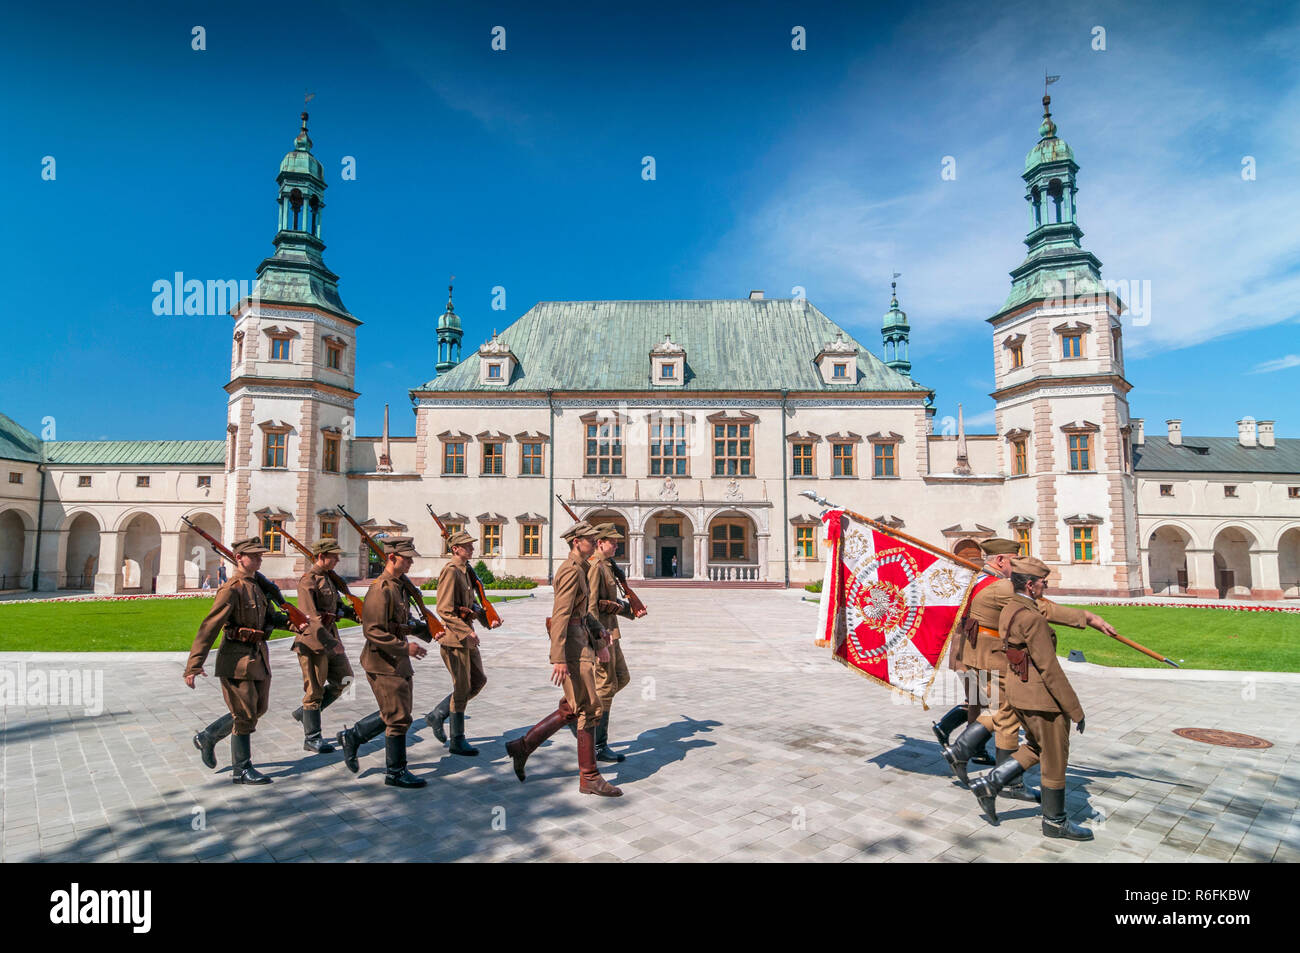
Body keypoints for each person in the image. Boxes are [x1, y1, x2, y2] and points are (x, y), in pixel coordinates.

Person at [941, 538, 1117, 804]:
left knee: (999, 711)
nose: (1019, 565)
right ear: (1001, 561)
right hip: (993, 658)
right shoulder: (1001, 586)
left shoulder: (982, 579)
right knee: (1006, 718)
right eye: (1015, 559)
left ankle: (964, 753)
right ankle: (1003, 779)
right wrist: (1088, 618)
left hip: (976, 654)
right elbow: (1043, 608)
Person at [969, 556, 1093, 840]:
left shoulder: (1010, 608)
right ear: (1030, 585)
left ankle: (991, 783)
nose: (1044, 587)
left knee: (1036, 746)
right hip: (1041, 698)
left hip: (1018, 691)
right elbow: (1049, 667)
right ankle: (1055, 821)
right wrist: (1075, 710)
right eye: (1042, 583)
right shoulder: (1032, 618)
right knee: (1055, 756)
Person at [505, 520, 622, 797]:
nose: (595, 542)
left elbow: (584, 612)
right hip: (571, 646)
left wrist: (598, 631)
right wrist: (557, 657)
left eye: (595, 538)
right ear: (575, 542)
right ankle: (589, 777)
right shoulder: (570, 571)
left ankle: (522, 747)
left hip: (581, 640)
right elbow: (560, 615)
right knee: (590, 707)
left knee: (573, 706)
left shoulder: (581, 568)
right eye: (589, 539)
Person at [184, 537, 296, 784]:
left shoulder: (256, 586)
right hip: (236, 658)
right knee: (244, 714)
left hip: (257, 656)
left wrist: (297, 624)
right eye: (254, 555)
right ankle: (242, 770)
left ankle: (208, 736)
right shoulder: (232, 588)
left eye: (260, 555)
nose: (259, 559)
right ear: (239, 558)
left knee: (258, 709)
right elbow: (209, 627)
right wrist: (194, 664)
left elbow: (270, 618)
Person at [336, 536, 430, 788]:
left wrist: (427, 631)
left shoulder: (399, 587)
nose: (410, 562)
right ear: (391, 557)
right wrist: (405, 647)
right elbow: (373, 631)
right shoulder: (381, 589)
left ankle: (352, 737)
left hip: (396, 660)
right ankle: (395, 772)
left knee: (399, 713)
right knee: (398, 716)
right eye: (407, 558)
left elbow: (402, 622)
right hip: (382, 661)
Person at [425, 530, 494, 756]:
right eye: (467, 545)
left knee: (478, 681)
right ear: (455, 548)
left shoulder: (465, 572)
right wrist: (466, 631)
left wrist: (484, 617)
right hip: (455, 640)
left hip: (467, 637)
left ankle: (439, 713)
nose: (472, 548)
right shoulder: (451, 571)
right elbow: (444, 609)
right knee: (462, 688)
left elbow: (468, 603)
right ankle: (457, 739)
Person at [291, 539, 357, 754]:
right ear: (321, 556)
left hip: (330, 638)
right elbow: (310, 617)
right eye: (334, 556)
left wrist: (358, 614)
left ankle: (305, 714)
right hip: (313, 643)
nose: (337, 559)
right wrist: (331, 643)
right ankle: (312, 737)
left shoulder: (329, 579)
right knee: (315, 689)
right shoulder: (308, 581)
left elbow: (337, 608)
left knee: (344, 679)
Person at [588, 523, 644, 762]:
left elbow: (609, 602)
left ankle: (582, 708)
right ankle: (597, 745)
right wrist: (598, 640)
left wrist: (631, 610)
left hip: (612, 633)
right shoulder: (595, 567)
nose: (617, 544)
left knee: (621, 679)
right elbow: (590, 607)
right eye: (613, 541)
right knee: (605, 687)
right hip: (602, 635)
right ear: (600, 542)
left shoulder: (608, 566)